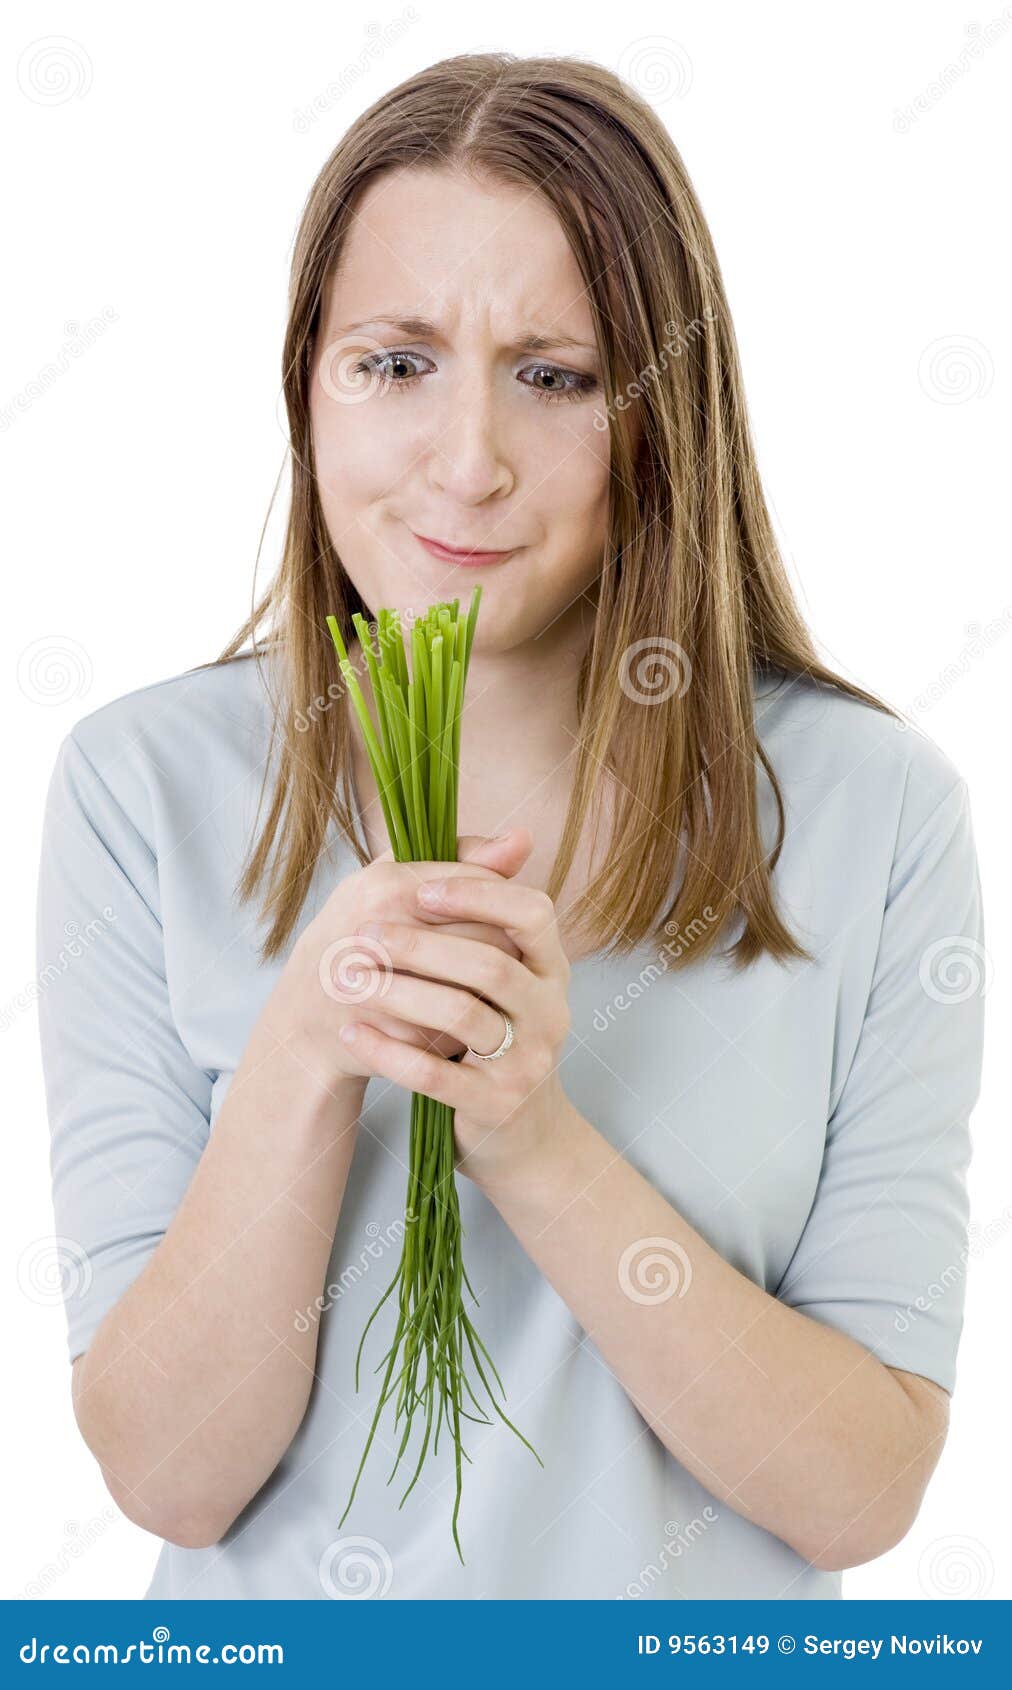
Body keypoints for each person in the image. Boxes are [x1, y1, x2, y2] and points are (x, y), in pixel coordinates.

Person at [36, 52, 985, 1601]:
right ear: (306, 384)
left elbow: (861, 1495)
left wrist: (536, 1140)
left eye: (555, 375)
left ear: (659, 413)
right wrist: (304, 1051)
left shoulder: (872, 812)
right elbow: (167, 1473)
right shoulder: (140, 787)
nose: (464, 458)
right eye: (395, 362)